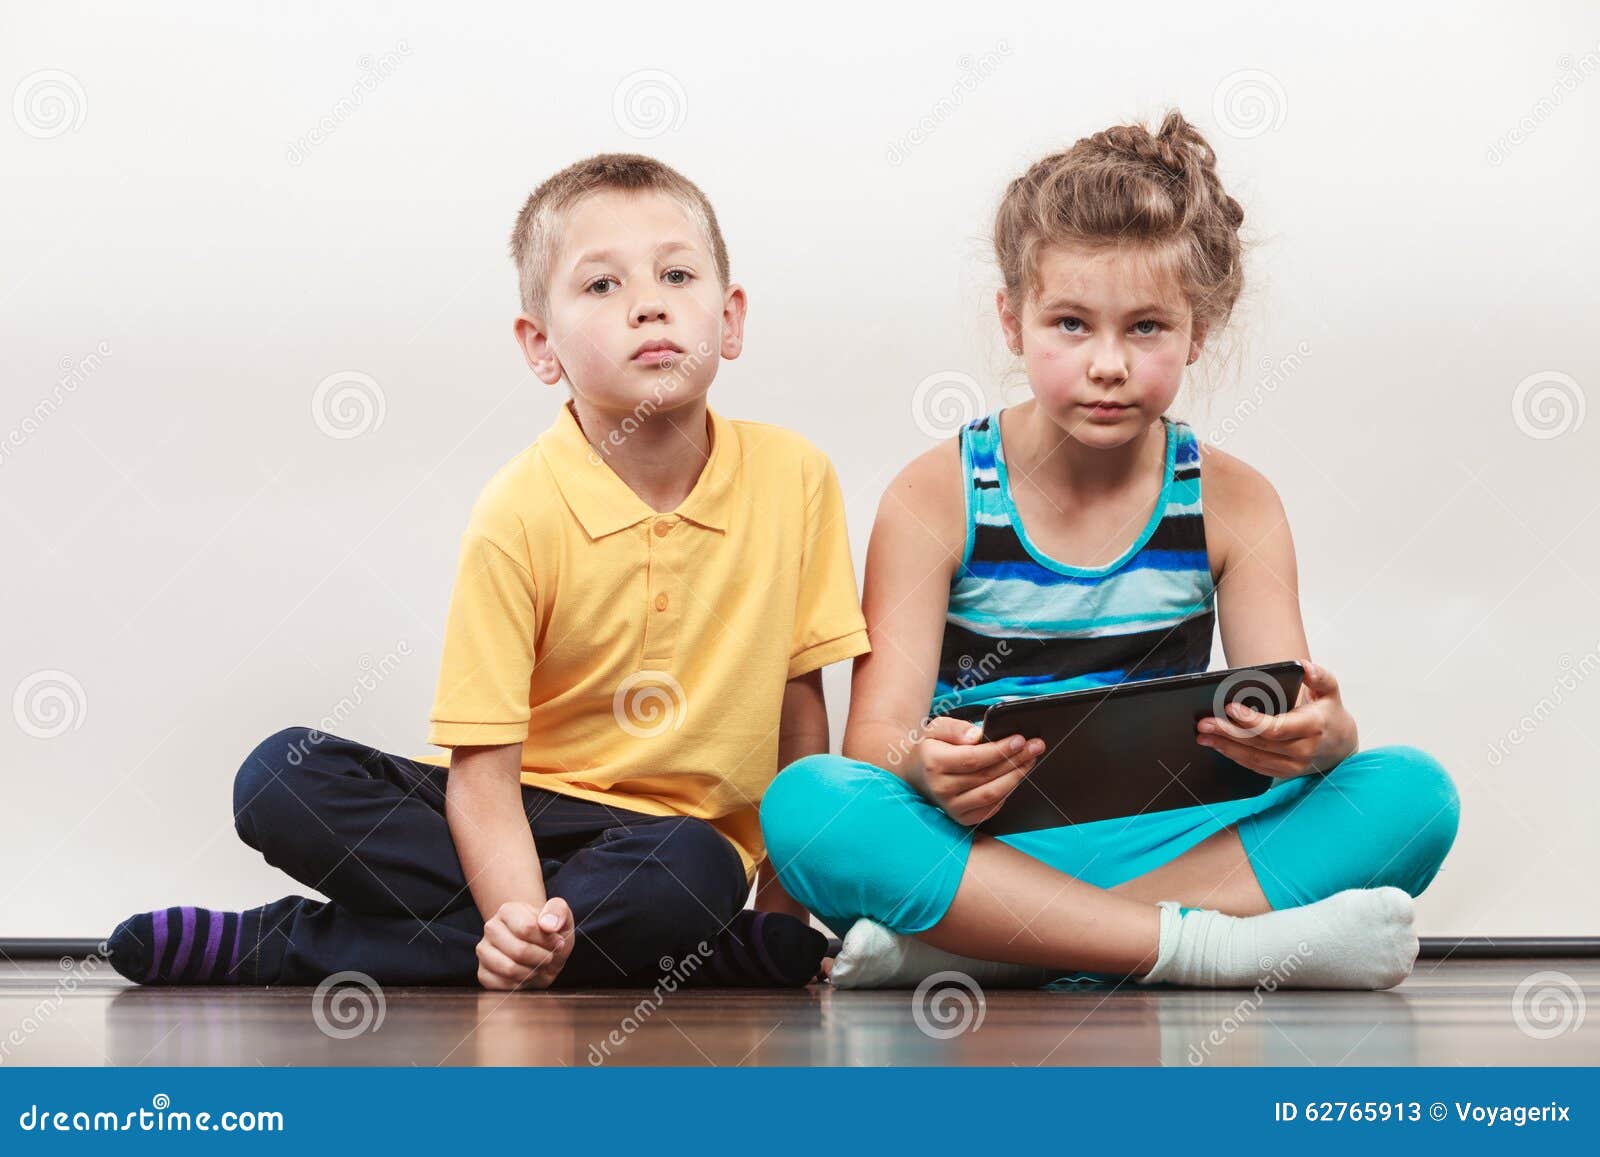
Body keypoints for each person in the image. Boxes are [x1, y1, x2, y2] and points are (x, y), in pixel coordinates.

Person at [107, 154, 869, 989]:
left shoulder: (795, 476)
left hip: (669, 847)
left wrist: (780, 910)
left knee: (692, 869)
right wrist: (515, 917)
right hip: (512, 818)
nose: (648, 303)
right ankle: (667, 956)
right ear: (540, 346)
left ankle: (289, 947)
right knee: (278, 778)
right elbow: (483, 771)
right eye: (602, 287)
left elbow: (802, 713)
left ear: (730, 319)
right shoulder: (519, 512)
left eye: (676, 274)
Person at [760, 111, 1460, 991]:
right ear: (1011, 320)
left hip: (1168, 833)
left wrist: (1324, 739)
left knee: (1410, 793)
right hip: (981, 839)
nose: (1107, 364)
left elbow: (1276, 704)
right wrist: (923, 765)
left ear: (1197, 332)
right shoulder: (935, 494)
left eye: (1146, 328)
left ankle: (994, 948)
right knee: (810, 805)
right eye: (1070, 324)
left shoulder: (1233, 501)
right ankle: (1211, 946)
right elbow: (873, 743)